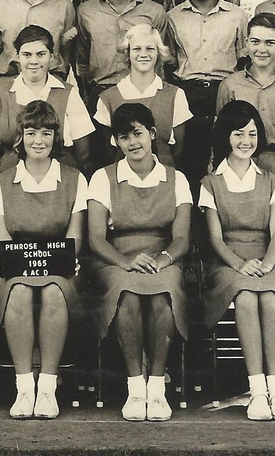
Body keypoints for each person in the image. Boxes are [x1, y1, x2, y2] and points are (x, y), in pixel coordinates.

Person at [86, 103, 192, 422]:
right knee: (127, 294)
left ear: (152, 134)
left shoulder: (177, 179)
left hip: (163, 257)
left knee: (163, 293)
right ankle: (135, 388)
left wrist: (162, 260)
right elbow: (95, 238)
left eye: (138, 133)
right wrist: (125, 262)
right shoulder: (102, 178)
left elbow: (182, 238)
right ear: (116, 143)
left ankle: (157, 387)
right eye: (124, 137)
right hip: (115, 259)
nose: (133, 142)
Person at [0, 101, 88, 420]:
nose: (38, 140)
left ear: (56, 137)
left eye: (46, 133)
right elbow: (0, 238)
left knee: (54, 291)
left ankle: (47, 388)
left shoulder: (74, 179)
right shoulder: (3, 181)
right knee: (20, 291)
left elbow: (76, 237)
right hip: (14, 266)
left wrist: (64, 258)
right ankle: (24, 386)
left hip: (59, 267)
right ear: (21, 137)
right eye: (31, 133)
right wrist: (13, 260)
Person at [198, 100, 275, 422]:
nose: (246, 141)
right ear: (225, 136)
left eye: (252, 134)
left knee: (270, 297)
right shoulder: (210, 184)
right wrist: (241, 265)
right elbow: (215, 239)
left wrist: (268, 264)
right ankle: (257, 391)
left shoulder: (271, 181)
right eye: (238, 133)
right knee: (244, 297)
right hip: (228, 263)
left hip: (267, 259)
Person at [168, 0, 249, 190]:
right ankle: (192, 216)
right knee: (189, 159)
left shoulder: (236, 16)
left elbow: (244, 58)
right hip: (187, 93)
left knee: (226, 156)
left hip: (224, 92)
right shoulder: (173, 17)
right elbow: (170, 60)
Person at [215, 12, 275, 199]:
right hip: (241, 162)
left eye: (269, 42)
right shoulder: (230, 85)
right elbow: (220, 133)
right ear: (246, 42)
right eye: (255, 41)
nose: (261, 49)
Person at [0, 25, 93, 174]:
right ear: (17, 56)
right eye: (27, 54)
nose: (34, 61)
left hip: (59, 179)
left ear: (51, 56)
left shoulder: (68, 93)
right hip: (12, 179)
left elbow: (83, 153)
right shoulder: (1, 93)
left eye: (40, 54)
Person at [75, 0, 171, 112]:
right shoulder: (86, 12)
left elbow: (160, 59)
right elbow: (82, 61)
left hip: (142, 92)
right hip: (101, 92)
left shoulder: (155, 11)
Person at [94, 24, 192, 168]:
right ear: (128, 53)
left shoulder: (175, 95)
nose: (143, 54)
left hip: (164, 177)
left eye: (150, 48)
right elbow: (109, 153)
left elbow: (177, 150)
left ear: (159, 53)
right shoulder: (108, 98)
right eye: (136, 49)